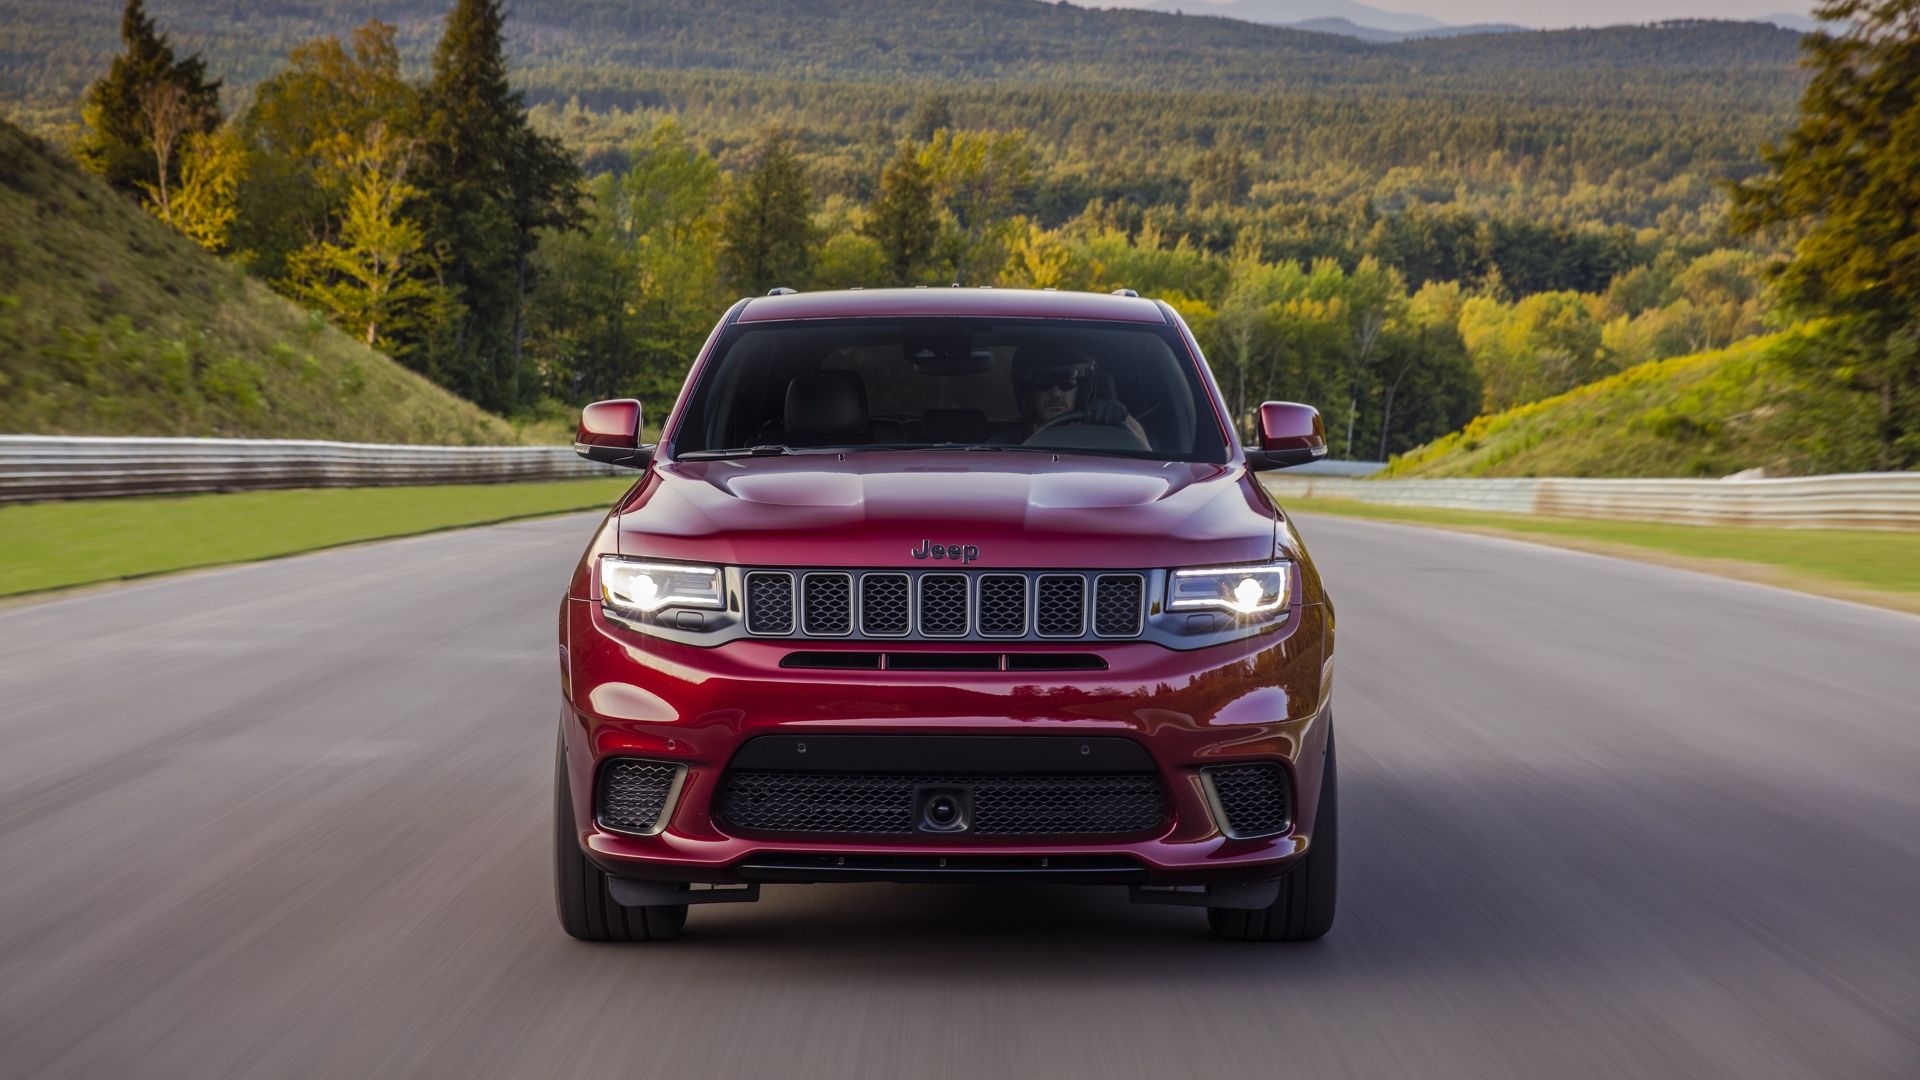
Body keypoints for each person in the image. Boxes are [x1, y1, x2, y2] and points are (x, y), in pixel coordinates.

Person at [996, 349, 1149, 446]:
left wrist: (1124, 419)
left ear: (1081, 389)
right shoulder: (1005, 444)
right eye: (1043, 383)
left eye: (1067, 382)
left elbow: (1148, 459)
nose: (1055, 393)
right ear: (1029, 392)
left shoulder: (1104, 440)